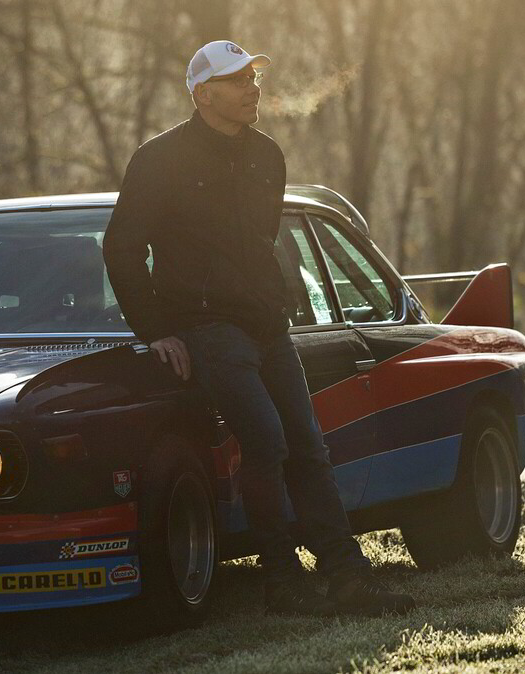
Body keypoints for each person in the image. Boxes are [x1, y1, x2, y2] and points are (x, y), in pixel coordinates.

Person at [103, 40, 416, 617]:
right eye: (237, 79)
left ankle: (347, 577)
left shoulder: (268, 155)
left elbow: (261, 242)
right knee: (267, 443)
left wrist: (270, 304)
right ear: (203, 93)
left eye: (254, 76)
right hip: (207, 328)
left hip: (269, 326)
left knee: (308, 446)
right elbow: (122, 249)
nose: (253, 88)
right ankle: (281, 583)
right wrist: (156, 329)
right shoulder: (158, 160)